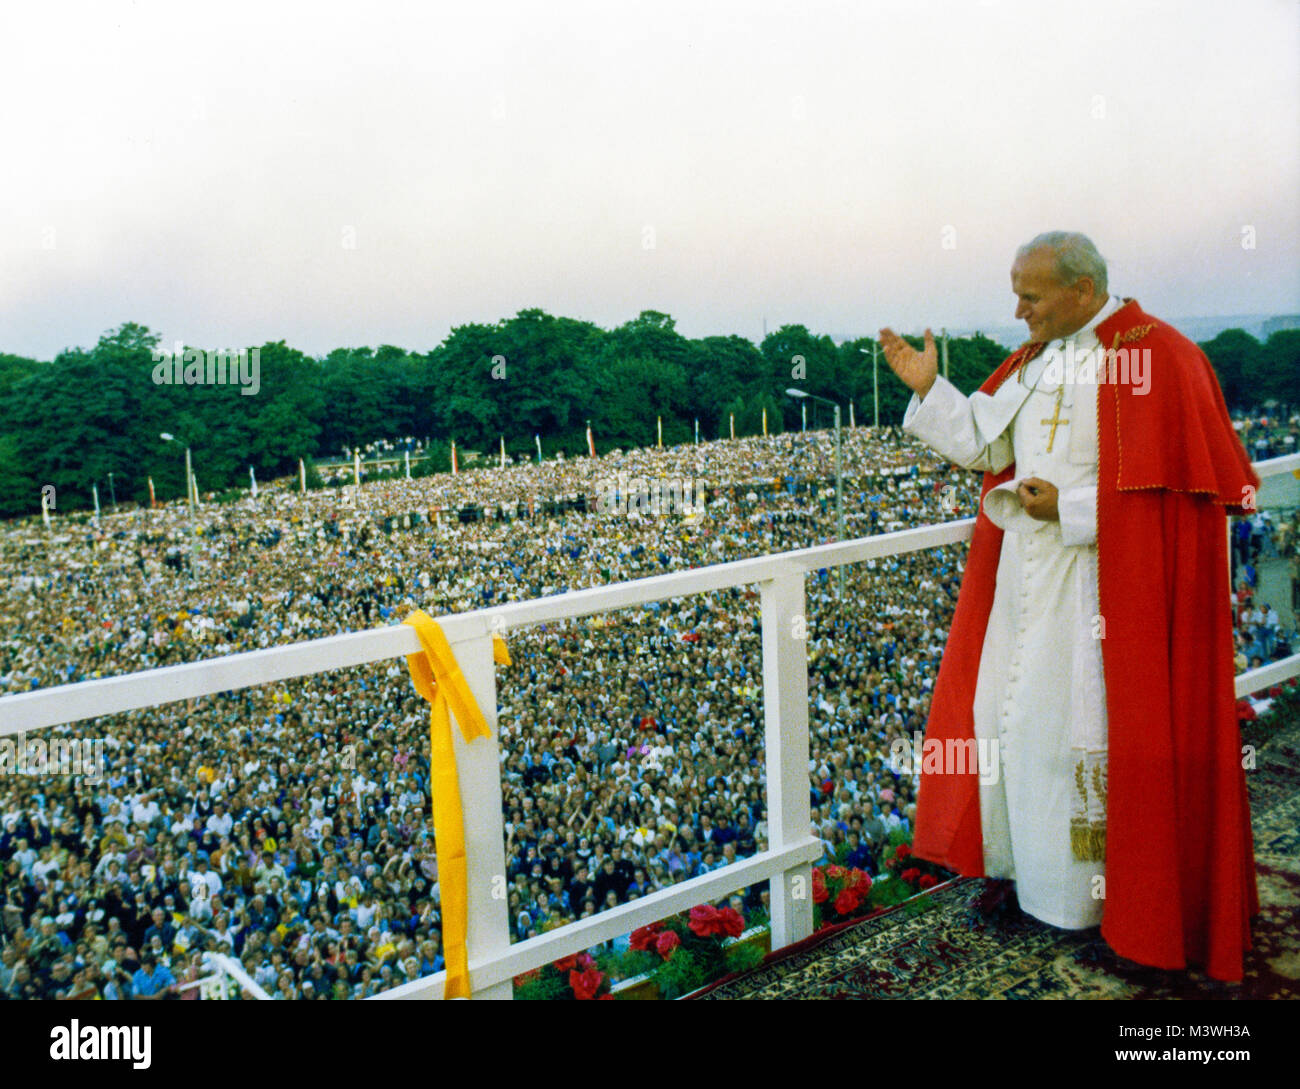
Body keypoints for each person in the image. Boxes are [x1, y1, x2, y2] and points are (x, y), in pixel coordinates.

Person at [880, 230, 1258, 982]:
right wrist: (930, 390)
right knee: (1012, 723)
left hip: (1107, 590)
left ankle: (1104, 908)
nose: (1017, 310)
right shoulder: (1038, 356)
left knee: (1077, 738)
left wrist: (1072, 508)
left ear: (1081, 289)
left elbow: (1179, 503)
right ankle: (1033, 883)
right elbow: (987, 447)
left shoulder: (1160, 356)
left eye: (1031, 294)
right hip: (1023, 580)